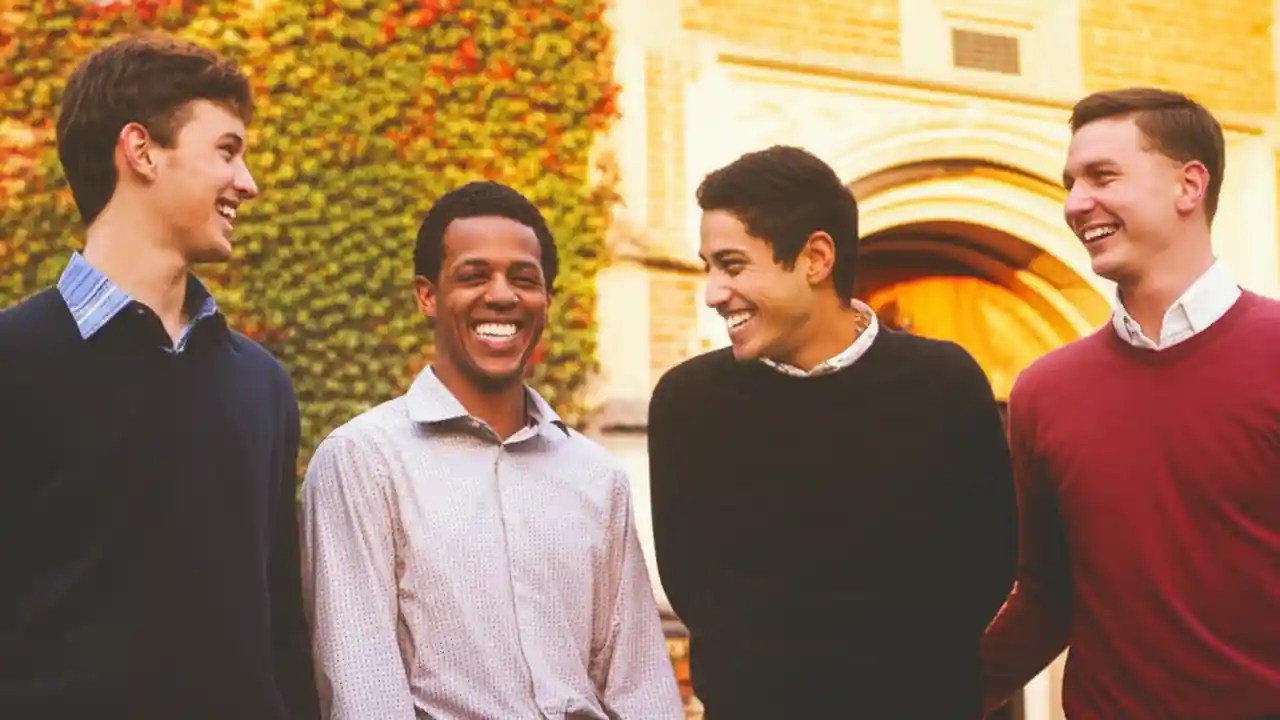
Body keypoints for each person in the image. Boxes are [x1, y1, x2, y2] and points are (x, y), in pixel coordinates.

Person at [0, 35, 316, 718]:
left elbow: (282, 630)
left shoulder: (264, 388)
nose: (249, 183)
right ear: (140, 150)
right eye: (226, 151)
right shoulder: (12, 363)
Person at [647, 145, 1017, 718]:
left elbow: (988, 565)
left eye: (733, 264)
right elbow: (695, 590)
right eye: (708, 266)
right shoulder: (688, 402)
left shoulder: (945, 383)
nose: (713, 293)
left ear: (816, 258)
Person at [300, 180, 683, 720]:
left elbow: (641, 686)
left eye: (524, 279)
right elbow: (364, 689)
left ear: (546, 299)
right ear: (427, 296)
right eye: (474, 275)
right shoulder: (363, 460)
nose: (502, 295)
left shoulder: (597, 477)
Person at [981, 88, 1280, 717]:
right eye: (1070, 182)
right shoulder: (1044, 390)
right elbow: (1046, 597)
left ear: (1188, 187)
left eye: (1102, 176)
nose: (1074, 203)